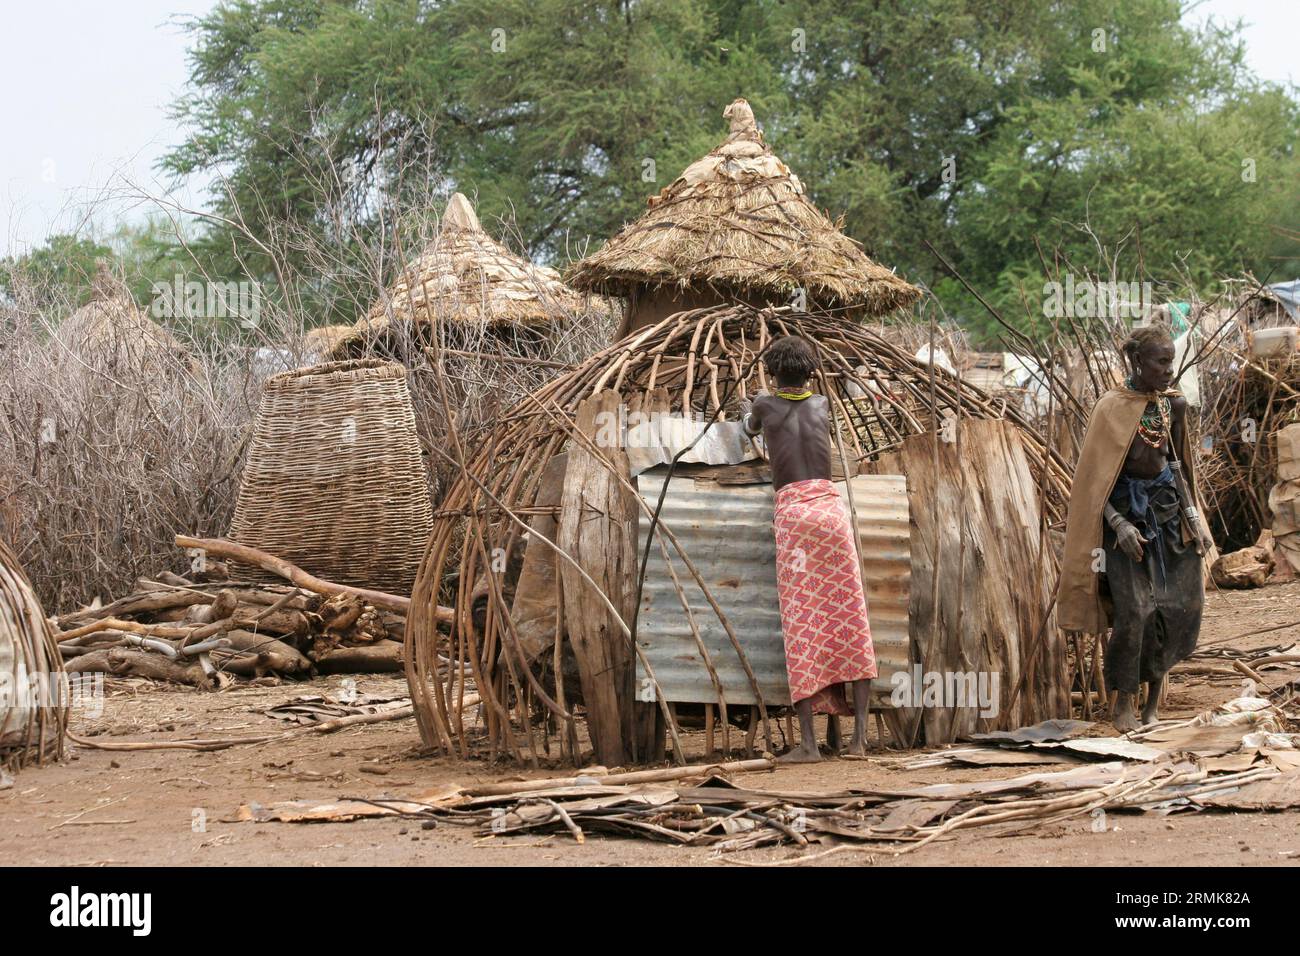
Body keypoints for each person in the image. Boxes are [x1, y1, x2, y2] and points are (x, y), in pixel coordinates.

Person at [1058, 324, 1213, 732]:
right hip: (1123, 519)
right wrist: (1118, 523)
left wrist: (1194, 517)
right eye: (1160, 361)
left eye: (1170, 361)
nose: (1168, 369)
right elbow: (1095, 480)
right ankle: (1122, 702)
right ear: (1136, 361)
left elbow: (1178, 464)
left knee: (1179, 607)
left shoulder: (1172, 405)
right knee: (1136, 611)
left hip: (1167, 512)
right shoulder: (1111, 407)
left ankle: (1152, 704)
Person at [739, 336, 877, 761]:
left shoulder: (763, 403)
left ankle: (808, 745)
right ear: (811, 373)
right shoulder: (822, 405)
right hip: (831, 511)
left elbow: (749, 428)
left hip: (795, 515)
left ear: (773, 372)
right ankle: (858, 742)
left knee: (802, 624)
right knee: (851, 619)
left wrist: (745, 407)